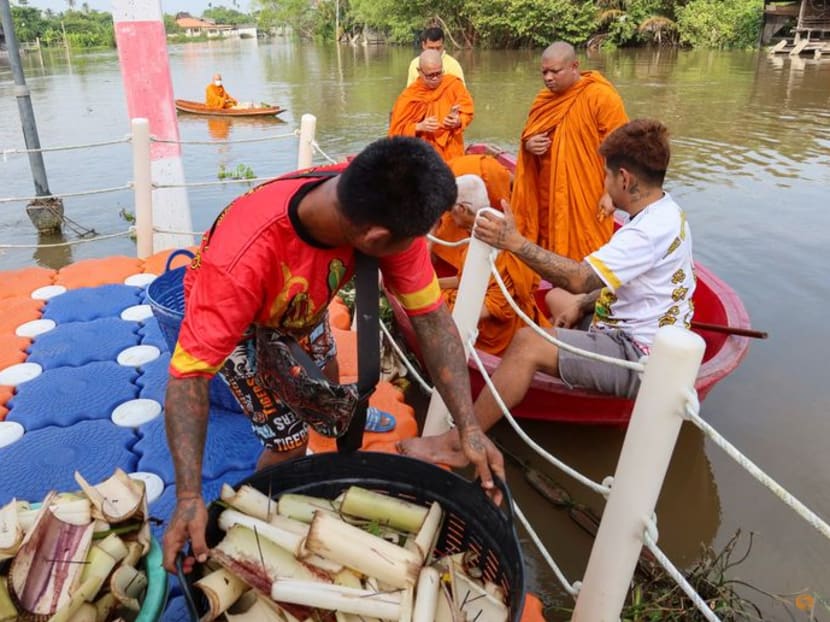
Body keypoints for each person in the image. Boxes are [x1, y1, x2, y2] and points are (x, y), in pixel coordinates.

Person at [161, 136, 504, 573]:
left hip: (304, 298)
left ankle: (330, 415)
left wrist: (469, 425)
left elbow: (432, 319)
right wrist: (189, 497)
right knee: (289, 443)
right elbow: (188, 378)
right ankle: (257, 515)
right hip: (244, 323)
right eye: (414, 241)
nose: (416, 250)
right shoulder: (238, 263)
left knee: (325, 373)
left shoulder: (373, 194)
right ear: (375, 237)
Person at [401, 119, 695, 465]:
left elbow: (581, 279)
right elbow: (595, 289)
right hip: (634, 326)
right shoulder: (667, 212)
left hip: (637, 354)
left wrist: (514, 242)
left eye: (607, 175)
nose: (604, 182)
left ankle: (462, 444)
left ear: (625, 179)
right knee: (558, 299)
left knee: (527, 343)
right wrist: (581, 305)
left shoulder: (646, 232)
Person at [512, 41, 628, 262]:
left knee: (589, 255)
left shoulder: (601, 97)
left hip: (587, 195)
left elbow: (623, 149)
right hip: (550, 195)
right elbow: (529, 136)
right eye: (544, 72)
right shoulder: (543, 101)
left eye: (555, 71)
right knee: (551, 249)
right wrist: (528, 145)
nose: (548, 77)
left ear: (575, 66)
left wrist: (610, 194)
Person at [432, 159, 547, 356]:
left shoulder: (496, 246)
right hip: (484, 307)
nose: (448, 218)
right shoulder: (482, 233)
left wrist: (432, 302)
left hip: (497, 334)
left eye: (450, 211)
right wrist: (431, 284)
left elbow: (488, 310)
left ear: (463, 209)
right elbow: (464, 280)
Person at [389, 49, 474, 163]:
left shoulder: (453, 85)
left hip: (452, 152)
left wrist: (458, 121)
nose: (435, 78)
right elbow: (395, 134)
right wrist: (418, 127)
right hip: (422, 157)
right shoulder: (409, 96)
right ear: (419, 72)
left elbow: (468, 112)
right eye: (430, 75)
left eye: (439, 73)